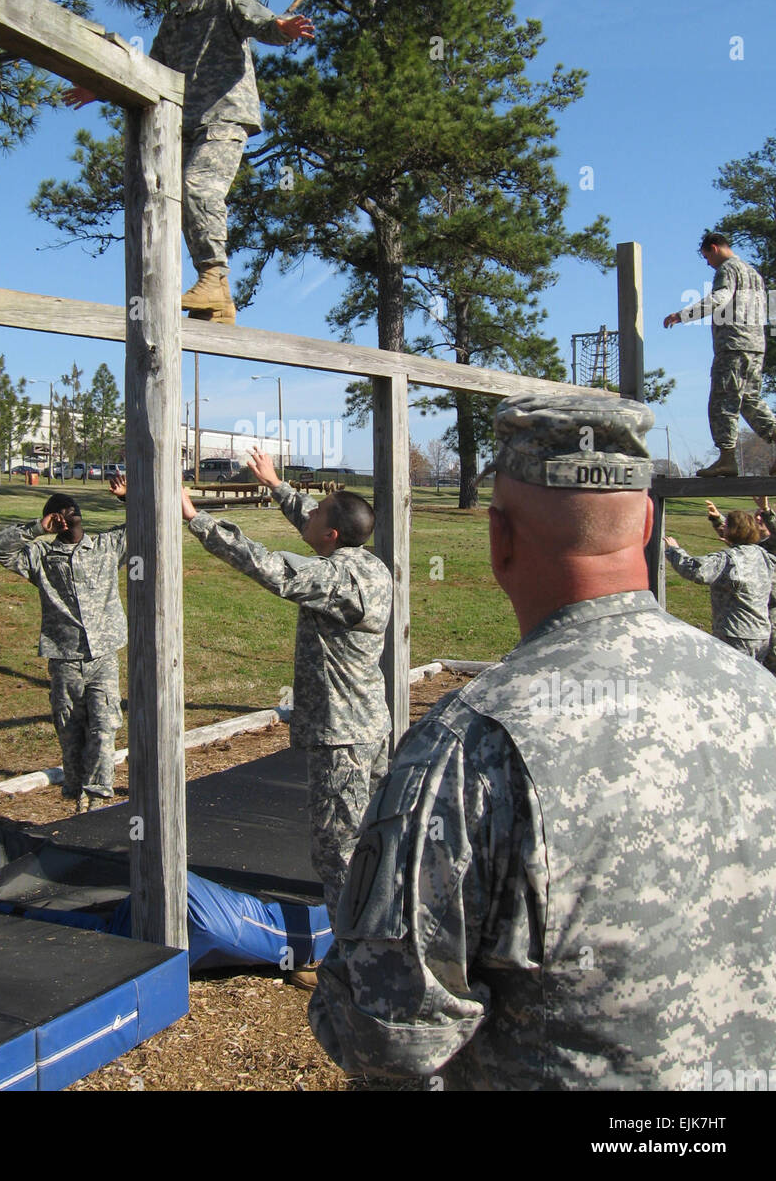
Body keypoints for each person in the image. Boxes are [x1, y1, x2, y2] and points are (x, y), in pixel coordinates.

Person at [309, 390, 776, 1087]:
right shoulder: (755, 692)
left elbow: (388, 1036)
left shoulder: (469, 747)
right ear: (646, 524)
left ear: (499, 539)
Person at [181, 449, 393, 945]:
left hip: (342, 735)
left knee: (339, 849)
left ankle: (353, 959)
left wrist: (196, 519)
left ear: (332, 536)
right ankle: (388, 929)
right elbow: (318, 527)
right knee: (376, 836)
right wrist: (277, 487)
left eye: (317, 512)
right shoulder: (368, 565)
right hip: (371, 725)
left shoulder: (335, 579)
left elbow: (272, 567)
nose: (310, 512)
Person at [66, 0, 314, 324]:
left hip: (227, 114)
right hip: (186, 122)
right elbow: (151, 70)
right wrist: (101, 87)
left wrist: (281, 28)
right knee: (173, 195)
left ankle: (213, 277)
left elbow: (263, 23)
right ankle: (219, 303)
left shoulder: (223, 1)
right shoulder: (173, 23)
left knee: (199, 186)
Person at [0, 479, 130, 813]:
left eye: (73, 508)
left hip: (103, 654)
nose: (70, 512)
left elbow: (147, 522)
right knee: (70, 731)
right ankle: (75, 795)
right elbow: (0, 549)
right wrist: (38, 529)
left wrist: (128, 497)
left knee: (103, 726)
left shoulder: (106, 546)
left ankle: (97, 799)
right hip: (64, 657)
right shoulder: (41, 555)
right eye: (61, 511)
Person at [663, 231, 776, 477]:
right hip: (756, 346)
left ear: (714, 248)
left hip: (733, 346)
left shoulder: (727, 269)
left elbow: (720, 298)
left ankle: (727, 459)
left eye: (706, 257)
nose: (708, 263)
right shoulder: (755, 274)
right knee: (750, 401)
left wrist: (683, 315)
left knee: (722, 402)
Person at [667, 508, 775, 662]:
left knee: (734, 677)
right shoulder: (763, 555)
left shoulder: (727, 559)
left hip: (735, 634)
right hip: (761, 634)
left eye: (727, 525)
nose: (723, 527)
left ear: (732, 530)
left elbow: (694, 570)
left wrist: (674, 550)